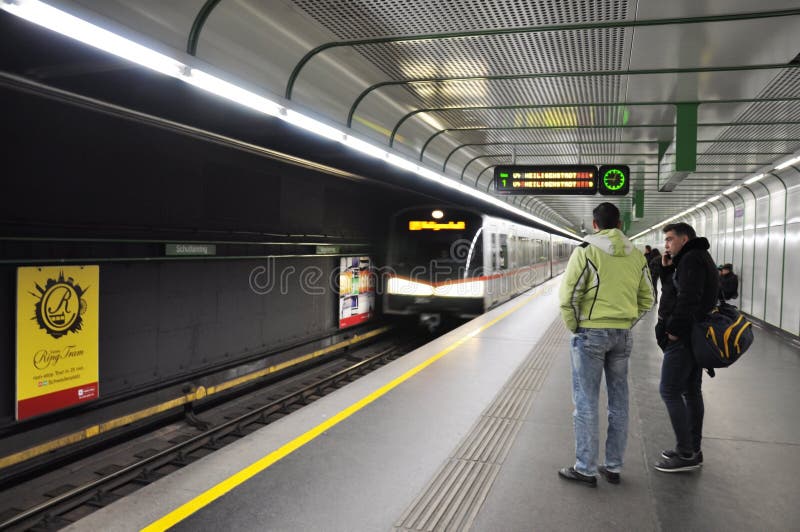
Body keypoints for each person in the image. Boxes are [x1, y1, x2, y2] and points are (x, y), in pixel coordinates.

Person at [558, 202, 654, 486]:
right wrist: (626, 321)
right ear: (621, 225)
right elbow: (647, 299)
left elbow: (568, 297)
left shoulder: (586, 252)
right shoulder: (636, 255)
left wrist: (576, 326)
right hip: (622, 335)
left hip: (590, 333)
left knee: (586, 401)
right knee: (619, 401)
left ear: (594, 224)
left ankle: (585, 468)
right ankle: (613, 466)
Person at [654, 222, 719, 472]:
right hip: (694, 336)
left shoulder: (691, 259)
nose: (667, 244)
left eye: (670, 239)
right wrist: (668, 272)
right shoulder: (697, 257)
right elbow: (679, 290)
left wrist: (673, 332)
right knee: (691, 392)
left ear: (685, 239)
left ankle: (685, 452)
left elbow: (687, 300)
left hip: (684, 337)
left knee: (669, 390)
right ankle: (693, 449)